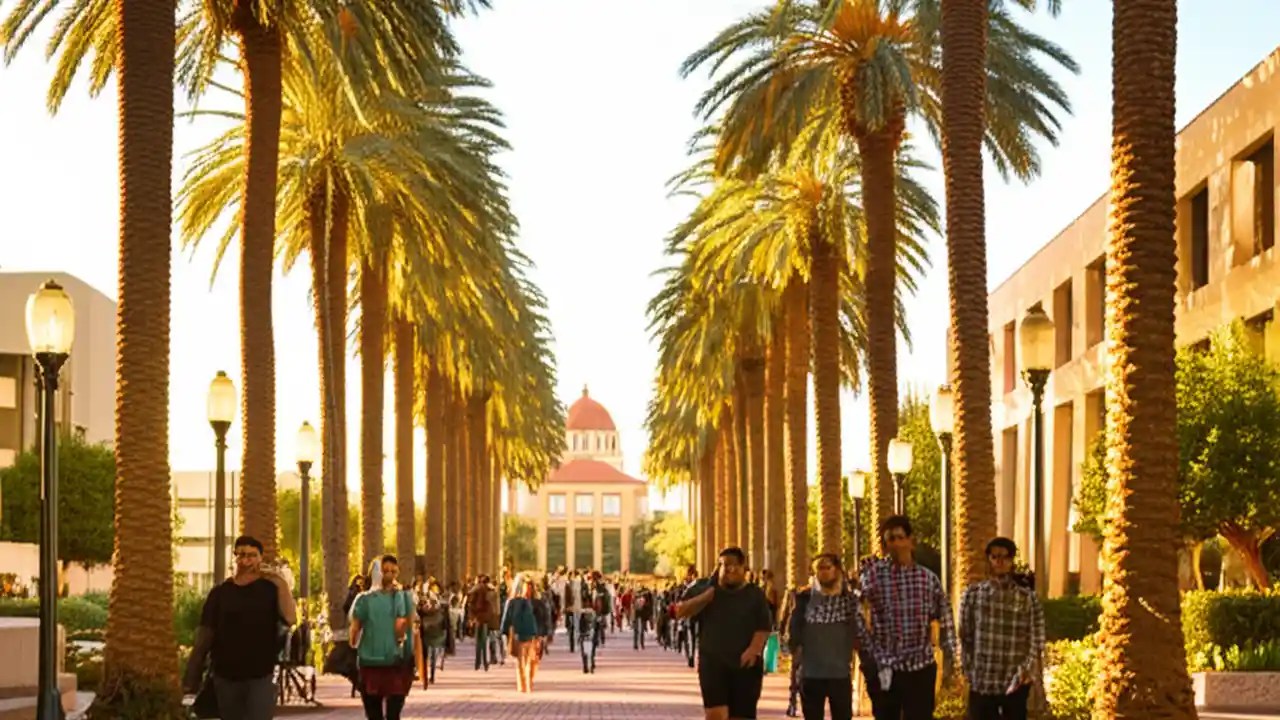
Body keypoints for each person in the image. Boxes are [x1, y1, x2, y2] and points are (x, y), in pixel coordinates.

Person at [183, 535, 297, 720]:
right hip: (225, 675)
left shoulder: (270, 590)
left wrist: (279, 580)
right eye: (241, 555)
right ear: (235, 557)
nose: (246, 560)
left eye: (251, 555)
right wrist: (192, 677)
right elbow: (205, 635)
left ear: (260, 558)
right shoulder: (220, 593)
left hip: (260, 674)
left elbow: (291, 618)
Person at [860, 516, 958, 720]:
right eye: (890, 539)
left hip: (919, 667)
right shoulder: (873, 576)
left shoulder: (927, 579)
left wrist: (951, 656)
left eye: (899, 537)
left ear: (910, 541)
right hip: (885, 667)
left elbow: (945, 616)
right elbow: (855, 611)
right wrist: (868, 653)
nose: (895, 543)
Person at [677, 547, 772, 720]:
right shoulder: (704, 587)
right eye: (725, 565)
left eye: (736, 565)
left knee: (741, 716)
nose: (730, 569)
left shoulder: (755, 594)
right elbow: (679, 611)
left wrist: (753, 650)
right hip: (712, 663)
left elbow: (763, 627)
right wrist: (704, 598)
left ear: (744, 568)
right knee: (716, 715)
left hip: (746, 665)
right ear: (718, 566)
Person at [960, 538, 1045, 720]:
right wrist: (969, 670)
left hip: (1014, 681)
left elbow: (1036, 638)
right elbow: (965, 636)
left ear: (1011, 561)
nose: (1000, 561)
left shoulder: (1027, 598)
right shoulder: (973, 595)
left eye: (1005, 557)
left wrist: (1026, 671)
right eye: (995, 557)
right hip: (982, 681)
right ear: (989, 560)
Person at [788, 554, 870, 720]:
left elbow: (860, 634)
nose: (823, 572)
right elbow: (793, 632)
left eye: (827, 567)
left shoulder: (849, 600)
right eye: (819, 568)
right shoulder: (804, 599)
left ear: (837, 570)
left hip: (839, 674)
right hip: (811, 674)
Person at [350, 555, 415, 720]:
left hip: (371, 663)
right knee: (393, 715)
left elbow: (354, 632)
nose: (390, 574)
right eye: (386, 571)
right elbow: (403, 626)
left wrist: (355, 644)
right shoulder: (402, 597)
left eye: (393, 571)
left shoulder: (363, 600)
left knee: (374, 715)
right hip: (395, 663)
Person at [501, 576, 542, 692]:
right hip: (524, 634)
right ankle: (526, 684)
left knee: (525, 660)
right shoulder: (520, 602)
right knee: (524, 659)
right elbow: (507, 618)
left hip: (525, 634)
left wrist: (503, 632)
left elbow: (506, 619)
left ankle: (525, 683)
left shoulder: (518, 602)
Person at [417, 588, 450, 686]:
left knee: (429, 656)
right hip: (435, 635)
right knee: (432, 656)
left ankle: (429, 675)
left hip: (430, 635)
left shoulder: (425, 610)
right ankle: (430, 675)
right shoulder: (440, 610)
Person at [467, 575, 501, 671]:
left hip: (478, 618)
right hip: (486, 618)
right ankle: (485, 663)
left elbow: (470, 604)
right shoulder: (490, 591)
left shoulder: (475, 590)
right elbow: (494, 607)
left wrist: (471, 618)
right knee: (485, 641)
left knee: (478, 642)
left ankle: (477, 663)